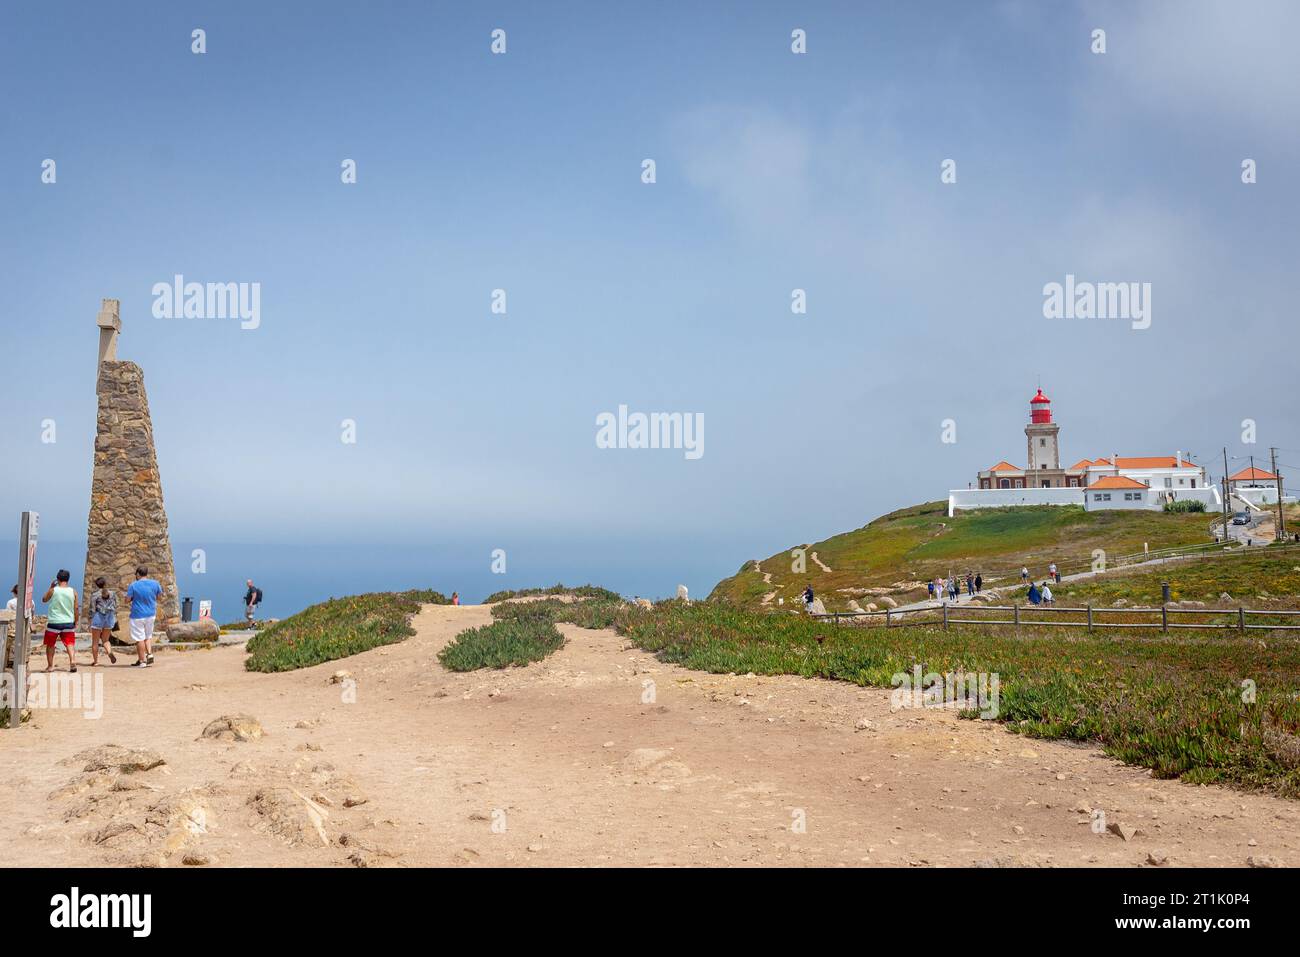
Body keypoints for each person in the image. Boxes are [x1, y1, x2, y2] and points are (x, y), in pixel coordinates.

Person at [41, 570, 79, 673]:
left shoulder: (54, 590)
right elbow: (76, 608)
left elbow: (44, 599)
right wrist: (76, 620)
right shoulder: (73, 591)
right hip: (68, 622)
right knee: (70, 643)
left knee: (50, 645)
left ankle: (50, 666)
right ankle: (73, 661)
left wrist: (51, 587)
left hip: (54, 622)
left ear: (57, 579)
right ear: (68, 579)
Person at [125, 566, 163, 668]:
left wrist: (133, 598)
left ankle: (142, 661)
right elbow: (159, 597)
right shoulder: (155, 584)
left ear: (138, 574)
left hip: (137, 615)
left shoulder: (133, 585)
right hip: (150, 614)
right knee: (148, 636)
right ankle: (149, 654)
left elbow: (127, 600)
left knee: (139, 638)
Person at [88, 577, 118, 666]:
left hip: (98, 617)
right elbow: (115, 605)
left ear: (97, 585)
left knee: (95, 642)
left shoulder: (95, 595)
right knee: (105, 640)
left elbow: (92, 609)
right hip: (109, 617)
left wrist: (90, 621)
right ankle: (109, 652)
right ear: (105, 584)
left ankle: (96, 662)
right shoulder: (113, 594)